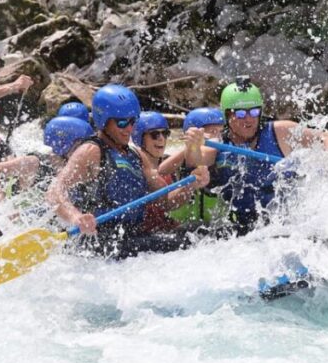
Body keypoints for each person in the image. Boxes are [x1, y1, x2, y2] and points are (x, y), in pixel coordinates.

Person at [46, 85, 209, 258]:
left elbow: (166, 200)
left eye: (133, 121)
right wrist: (76, 217)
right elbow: (54, 191)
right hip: (99, 243)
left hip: (130, 237)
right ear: (104, 121)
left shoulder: (136, 155)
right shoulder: (91, 152)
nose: (129, 129)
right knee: (185, 242)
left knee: (199, 232)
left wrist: (190, 185)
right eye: (122, 123)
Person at [184, 76, 328, 234]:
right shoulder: (218, 144)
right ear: (227, 116)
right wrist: (192, 146)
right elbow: (195, 161)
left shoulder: (280, 131)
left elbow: (326, 137)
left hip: (290, 220)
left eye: (254, 112)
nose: (249, 119)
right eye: (241, 114)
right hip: (246, 226)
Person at [158, 107, 226, 225]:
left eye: (221, 131)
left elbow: (204, 156)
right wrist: (190, 147)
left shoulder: (220, 153)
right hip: (180, 226)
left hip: (215, 226)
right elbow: (161, 170)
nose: (219, 137)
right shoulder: (184, 155)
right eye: (213, 131)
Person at [36, 116, 94, 186]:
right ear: (63, 144)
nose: (86, 150)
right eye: (81, 145)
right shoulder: (35, 165)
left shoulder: (80, 174)